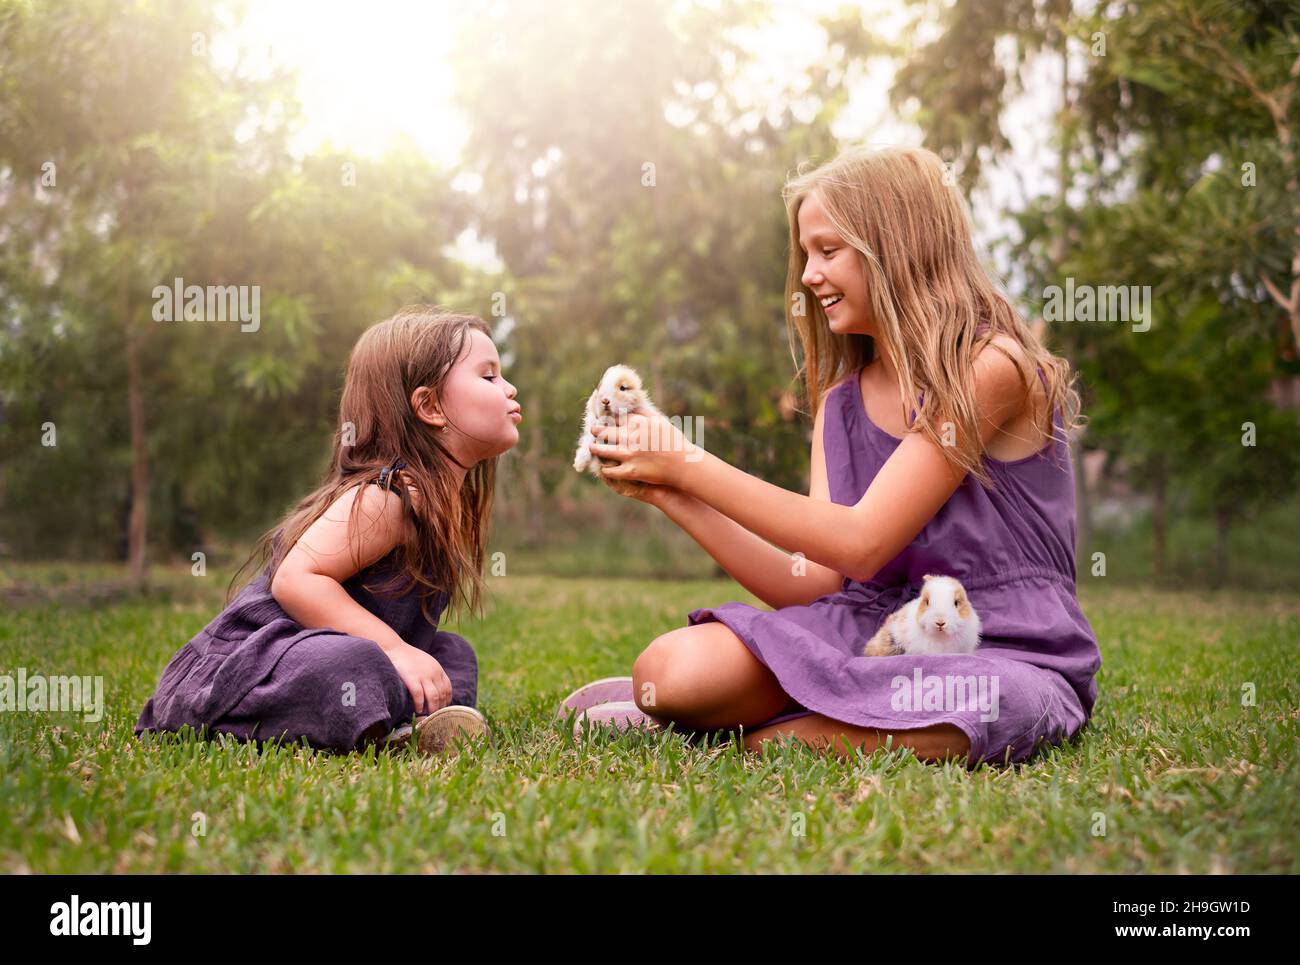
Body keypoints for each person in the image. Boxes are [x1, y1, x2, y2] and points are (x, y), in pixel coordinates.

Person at [562, 145, 1101, 767]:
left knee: (992, 700)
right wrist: (671, 493)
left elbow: (863, 540)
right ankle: (799, 716)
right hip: (871, 635)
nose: (809, 276)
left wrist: (689, 462)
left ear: (898, 247)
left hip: (999, 641)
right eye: (806, 255)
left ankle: (764, 734)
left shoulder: (992, 369)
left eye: (828, 251)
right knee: (671, 670)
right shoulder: (841, 403)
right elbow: (817, 581)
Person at [136, 306, 522, 755]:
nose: (510, 388)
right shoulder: (385, 498)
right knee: (357, 663)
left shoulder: (437, 502)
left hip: (321, 658)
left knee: (451, 655)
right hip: (239, 673)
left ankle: (397, 728)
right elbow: (296, 580)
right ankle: (382, 724)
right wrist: (395, 650)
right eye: (489, 377)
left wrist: (402, 652)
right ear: (430, 406)